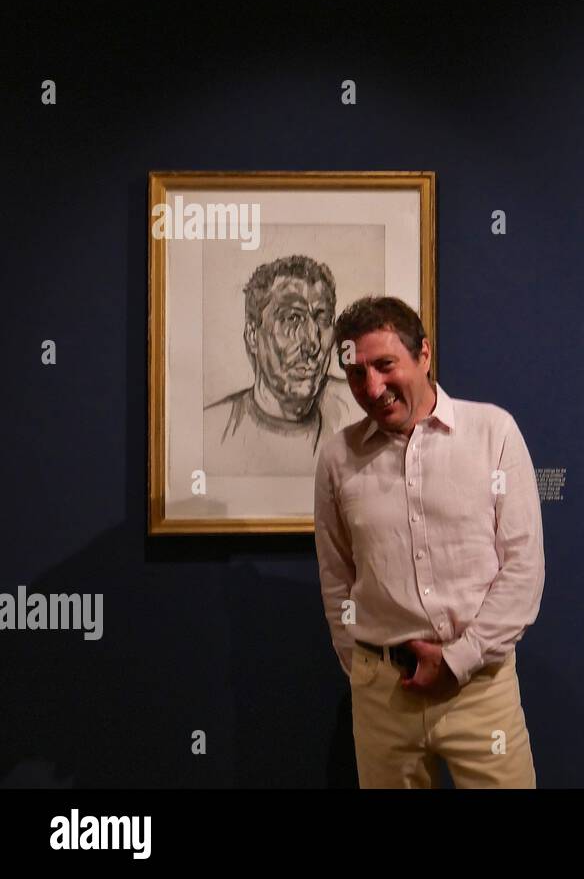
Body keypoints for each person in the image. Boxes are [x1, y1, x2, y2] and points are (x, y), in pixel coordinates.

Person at [314, 295, 543, 788]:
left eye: (384, 365)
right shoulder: (337, 459)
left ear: (423, 355)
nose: (372, 387)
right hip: (382, 699)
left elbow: (523, 570)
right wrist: (365, 671)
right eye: (356, 373)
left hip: (481, 690)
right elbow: (337, 580)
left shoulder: (493, 433)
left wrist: (457, 661)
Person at [204, 255, 353, 475]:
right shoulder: (211, 432)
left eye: (323, 319)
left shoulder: (361, 411)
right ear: (253, 336)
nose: (312, 342)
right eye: (292, 318)